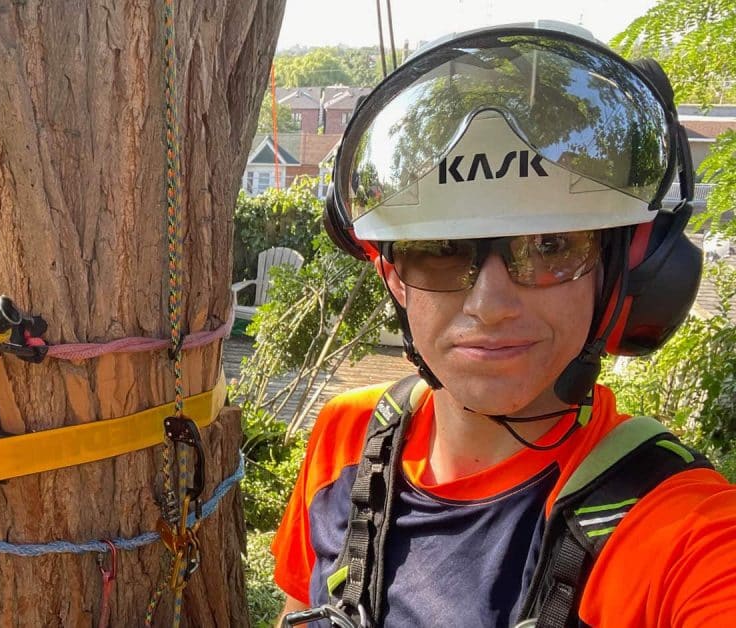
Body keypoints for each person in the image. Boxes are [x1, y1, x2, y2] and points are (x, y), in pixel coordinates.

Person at [272, 22, 736, 627]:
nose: (491, 304)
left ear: (621, 271)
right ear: (392, 273)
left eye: (549, 245)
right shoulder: (348, 438)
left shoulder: (684, 532)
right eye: (441, 249)